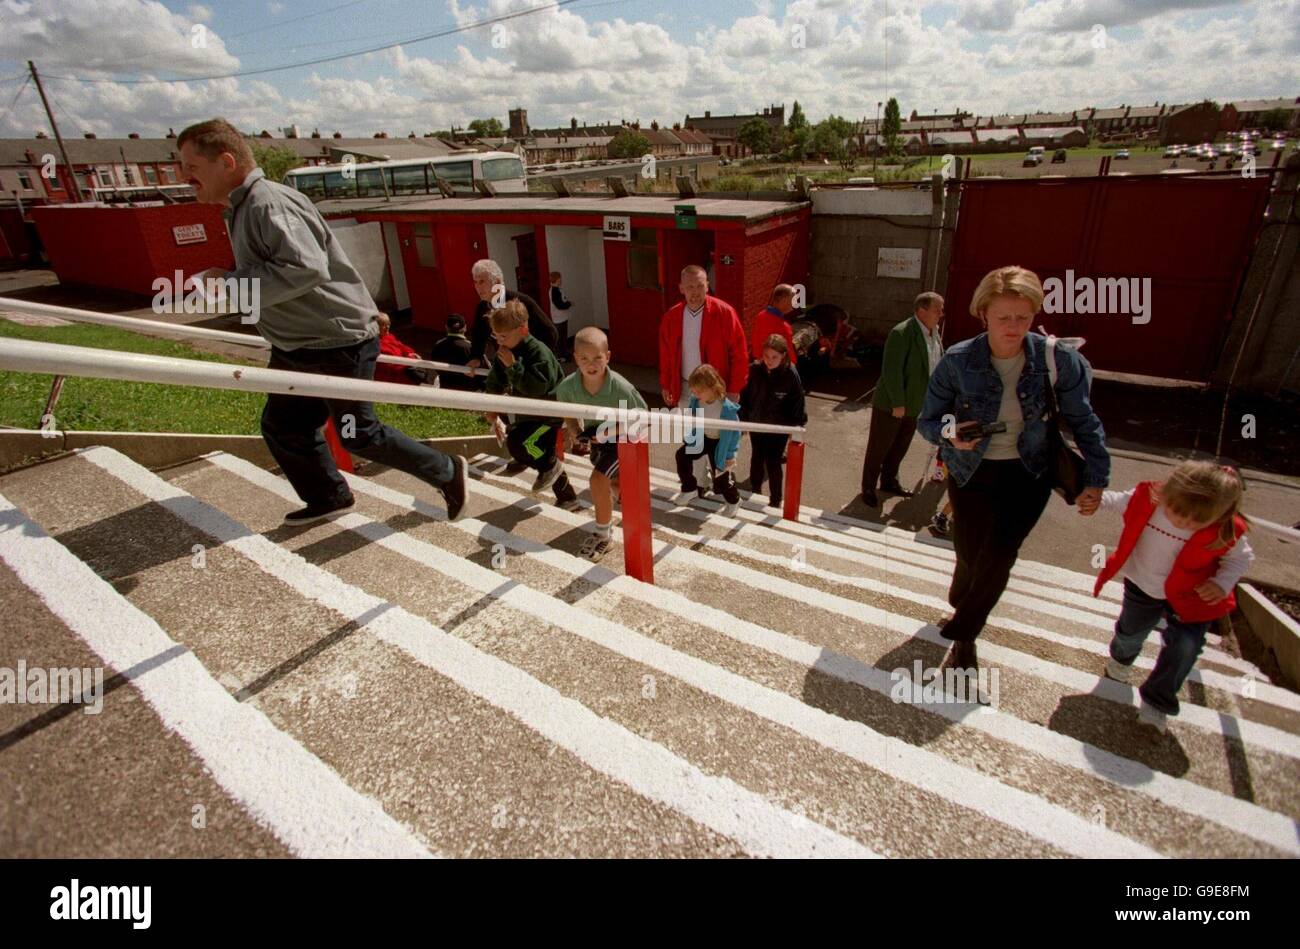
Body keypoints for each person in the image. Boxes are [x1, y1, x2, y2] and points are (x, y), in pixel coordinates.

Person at [176, 117, 466, 523]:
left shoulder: (267, 203)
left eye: (190, 167)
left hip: (336, 344)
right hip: (298, 346)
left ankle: (448, 470)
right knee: (285, 427)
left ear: (225, 162)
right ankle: (329, 497)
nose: (184, 178)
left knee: (356, 434)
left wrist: (230, 284)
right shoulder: (245, 208)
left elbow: (305, 269)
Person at [917, 266, 1110, 680]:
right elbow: (928, 421)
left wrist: (1096, 477)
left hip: (1029, 473)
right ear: (983, 313)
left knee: (1001, 555)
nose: (1015, 327)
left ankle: (965, 634)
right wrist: (952, 435)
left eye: (1024, 317)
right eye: (1004, 317)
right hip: (970, 473)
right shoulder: (958, 360)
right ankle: (961, 599)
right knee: (970, 554)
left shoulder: (1057, 359)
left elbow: (1084, 421)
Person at [1088, 462, 1254, 733]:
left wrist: (1221, 583)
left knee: (1185, 648)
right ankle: (1120, 660)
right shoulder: (1150, 499)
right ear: (1167, 494)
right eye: (1177, 512)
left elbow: (1240, 558)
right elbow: (1118, 500)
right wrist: (1095, 500)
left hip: (1192, 597)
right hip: (1144, 584)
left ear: (1221, 514)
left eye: (1197, 521)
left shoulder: (1225, 527)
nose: (1185, 522)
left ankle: (1157, 701)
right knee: (1130, 632)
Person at [554, 327, 647, 561]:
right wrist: (574, 430)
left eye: (597, 357)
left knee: (597, 480)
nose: (591, 364)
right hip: (597, 439)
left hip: (623, 438)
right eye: (584, 358)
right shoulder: (567, 387)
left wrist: (610, 432)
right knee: (613, 484)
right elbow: (566, 410)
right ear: (575, 358)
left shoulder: (620, 387)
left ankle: (603, 534)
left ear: (608, 356)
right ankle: (618, 496)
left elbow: (643, 417)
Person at [482, 300, 580, 510]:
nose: (499, 341)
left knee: (526, 446)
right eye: (495, 336)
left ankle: (554, 474)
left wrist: (513, 366)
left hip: (549, 413)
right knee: (528, 447)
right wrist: (491, 409)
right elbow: (495, 379)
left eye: (504, 336)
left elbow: (536, 388)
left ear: (523, 330)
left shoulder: (539, 353)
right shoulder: (506, 351)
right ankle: (566, 495)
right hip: (528, 412)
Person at [861, 291, 945, 507]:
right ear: (921, 311)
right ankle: (868, 488)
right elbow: (892, 371)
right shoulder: (902, 333)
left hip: (917, 404)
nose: (941, 314)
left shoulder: (934, 332)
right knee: (879, 448)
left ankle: (889, 481)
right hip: (893, 405)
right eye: (937, 310)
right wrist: (898, 402)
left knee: (900, 447)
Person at [658, 264, 749, 409]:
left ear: (707, 286)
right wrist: (666, 383)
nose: (695, 292)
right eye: (690, 287)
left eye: (700, 286)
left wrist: (734, 389)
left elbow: (740, 355)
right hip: (686, 388)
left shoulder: (725, 313)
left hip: (715, 389)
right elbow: (666, 355)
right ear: (681, 288)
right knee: (691, 431)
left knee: (715, 432)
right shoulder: (671, 318)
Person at [739, 334, 806, 510]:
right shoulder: (755, 370)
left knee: (773, 461)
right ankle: (754, 489)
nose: (769, 361)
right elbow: (745, 396)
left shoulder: (790, 373)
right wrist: (743, 419)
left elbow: (798, 401)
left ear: (783, 355)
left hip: (778, 427)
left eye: (774, 357)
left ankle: (776, 498)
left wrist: (796, 427)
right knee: (757, 456)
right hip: (757, 422)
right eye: (767, 356)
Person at [676, 364, 741, 513]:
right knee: (681, 455)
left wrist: (731, 455)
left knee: (720, 477)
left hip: (720, 444)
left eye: (699, 391)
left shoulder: (727, 408)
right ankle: (689, 489)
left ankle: (734, 500)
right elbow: (693, 418)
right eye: (693, 391)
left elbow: (735, 433)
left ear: (712, 387)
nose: (695, 394)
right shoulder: (696, 400)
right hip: (703, 438)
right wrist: (690, 438)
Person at [467, 259, 558, 367]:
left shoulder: (519, 303)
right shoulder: (483, 307)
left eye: (482, 281)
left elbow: (550, 332)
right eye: (475, 282)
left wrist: (535, 357)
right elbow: (478, 334)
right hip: (508, 367)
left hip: (531, 367)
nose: (477, 287)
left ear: (496, 282)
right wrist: (475, 357)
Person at [373, 312, 426, 385]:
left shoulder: (389, 336)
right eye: (383, 325)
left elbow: (402, 346)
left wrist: (411, 354)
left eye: (388, 323)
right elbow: (393, 365)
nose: (387, 327)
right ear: (376, 327)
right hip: (395, 378)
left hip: (404, 367)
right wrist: (411, 358)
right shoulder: (376, 345)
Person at [750, 285, 798, 364]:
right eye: (793, 299)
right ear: (784, 300)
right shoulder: (783, 327)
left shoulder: (760, 316)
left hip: (759, 364)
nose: (795, 303)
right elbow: (790, 357)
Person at [431, 314, 479, 391]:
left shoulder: (438, 345)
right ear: (465, 328)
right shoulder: (472, 347)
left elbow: (436, 366)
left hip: (446, 388)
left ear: (446, 327)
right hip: (468, 391)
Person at [549, 271, 573, 360]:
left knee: (563, 337)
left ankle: (564, 352)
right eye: (560, 278)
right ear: (557, 279)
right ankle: (560, 355)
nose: (561, 280)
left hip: (562, 317)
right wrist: (569, 304)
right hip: (558, 318)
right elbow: (559, 305)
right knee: (560, 338)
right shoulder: (554, 291)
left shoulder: (558, 289)